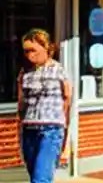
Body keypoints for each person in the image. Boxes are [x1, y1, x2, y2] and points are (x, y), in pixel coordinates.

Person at [18, 29, 71, 183]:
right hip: (29, 129)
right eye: (26, 51)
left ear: (46, 48)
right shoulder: (25, 72)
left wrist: (65, 132)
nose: (29, 55)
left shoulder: (59, 70)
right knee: (34, 174)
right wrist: (20, 129)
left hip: (51, 129)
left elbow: (67, 99)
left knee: (40, 179)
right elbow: (21, 103)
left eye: (33, 50)